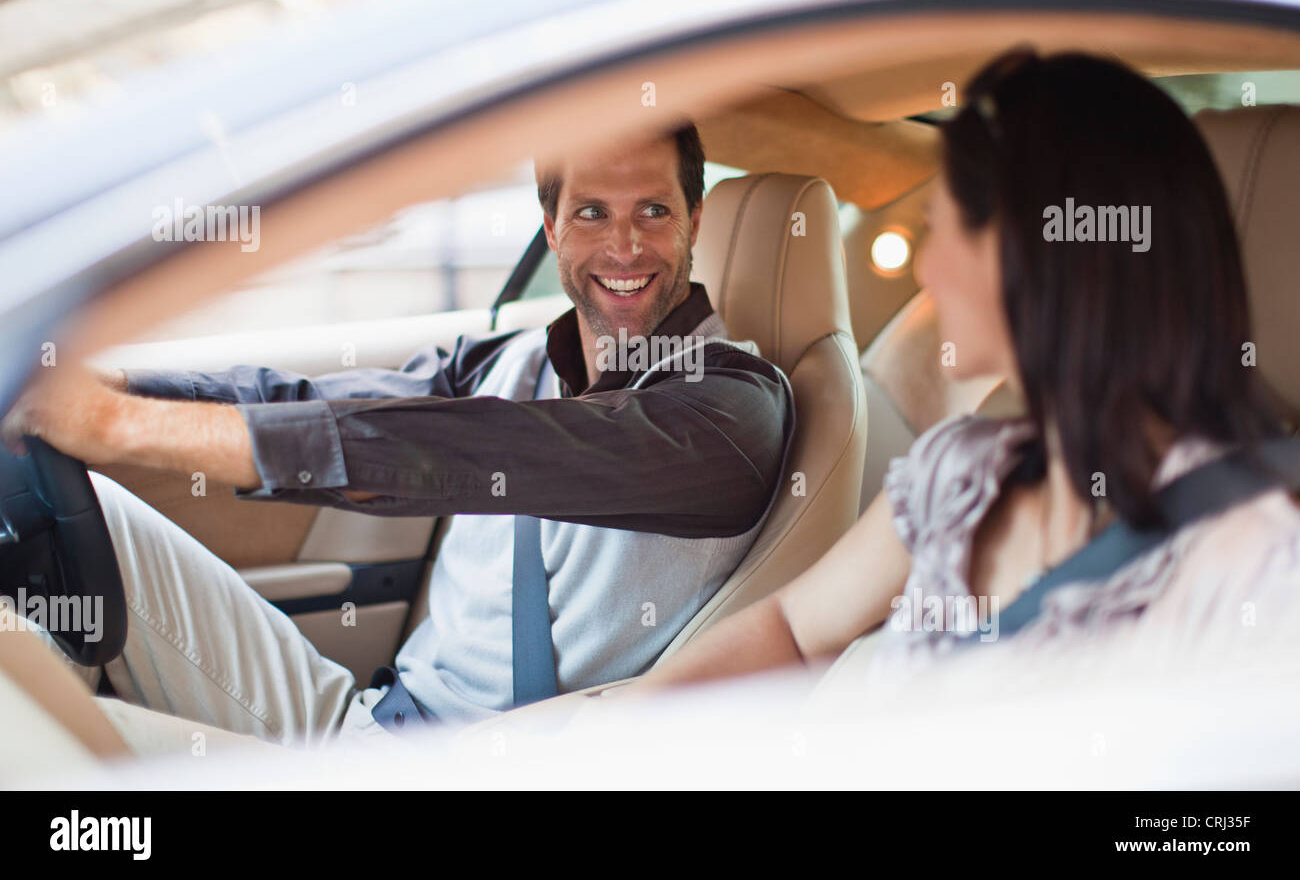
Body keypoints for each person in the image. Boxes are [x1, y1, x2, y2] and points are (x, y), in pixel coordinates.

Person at [0, 122, 794, 747]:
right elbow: (306, 398)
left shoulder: (732, 410)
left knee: (38, 740)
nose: (624, 246)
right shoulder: (511, 361)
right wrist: (110, 392)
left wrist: (121, 427)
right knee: (80, 523)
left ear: (694, 219)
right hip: (369, 721)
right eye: (593, 211)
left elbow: (478, 452)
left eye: (652, 210)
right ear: (551, 230)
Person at [634, 49, 1300, 695]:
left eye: (943, 231)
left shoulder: (1249, 559)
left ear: (1029, 255)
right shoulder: (957, 476)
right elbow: (790, 630)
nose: (927, 271)